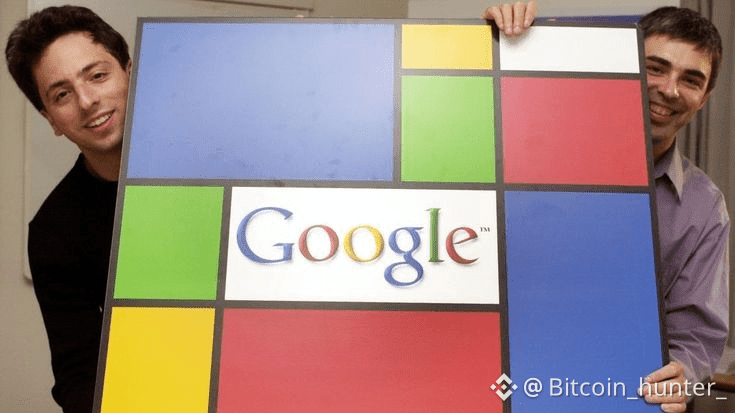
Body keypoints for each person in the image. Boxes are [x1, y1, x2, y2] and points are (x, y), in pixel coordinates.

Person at [484, 3, 729, 413]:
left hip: (614, 396)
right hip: (500, 383)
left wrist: (683, 374)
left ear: (703, 99)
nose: (670, 90)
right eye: (654, 68)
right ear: (623, 64)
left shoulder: (705, 207)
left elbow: (696, 337)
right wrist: (494, 41)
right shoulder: (526, 154)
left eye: (691, 79)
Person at [5, 6, 130, 413]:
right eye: (62, 95)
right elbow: (80, 377)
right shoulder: (54, 231)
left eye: (97, 76)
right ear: (51, 120)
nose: (88, 101)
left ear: (131, 73)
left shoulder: (225, 164)